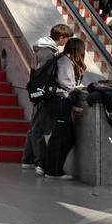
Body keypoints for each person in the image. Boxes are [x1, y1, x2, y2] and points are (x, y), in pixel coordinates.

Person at [22, 24, 71, 171]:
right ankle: (39, 162)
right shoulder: (47, 52)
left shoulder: (42, 49)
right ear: (61, 38)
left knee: (34, 128)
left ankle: (28, 160)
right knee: (38, 129)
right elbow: (43, 75)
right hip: (43, 94)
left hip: (37, 93)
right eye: (66, 38)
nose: (66, 42)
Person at [41, 38, 88, 180]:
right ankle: (53, 170)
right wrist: (76, 87)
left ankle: (49, 168)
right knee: (63, 137)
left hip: (57, 101)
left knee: (59, 137)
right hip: (61, 101)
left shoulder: (60, 59)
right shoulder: (65, 61)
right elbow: (65, 82)